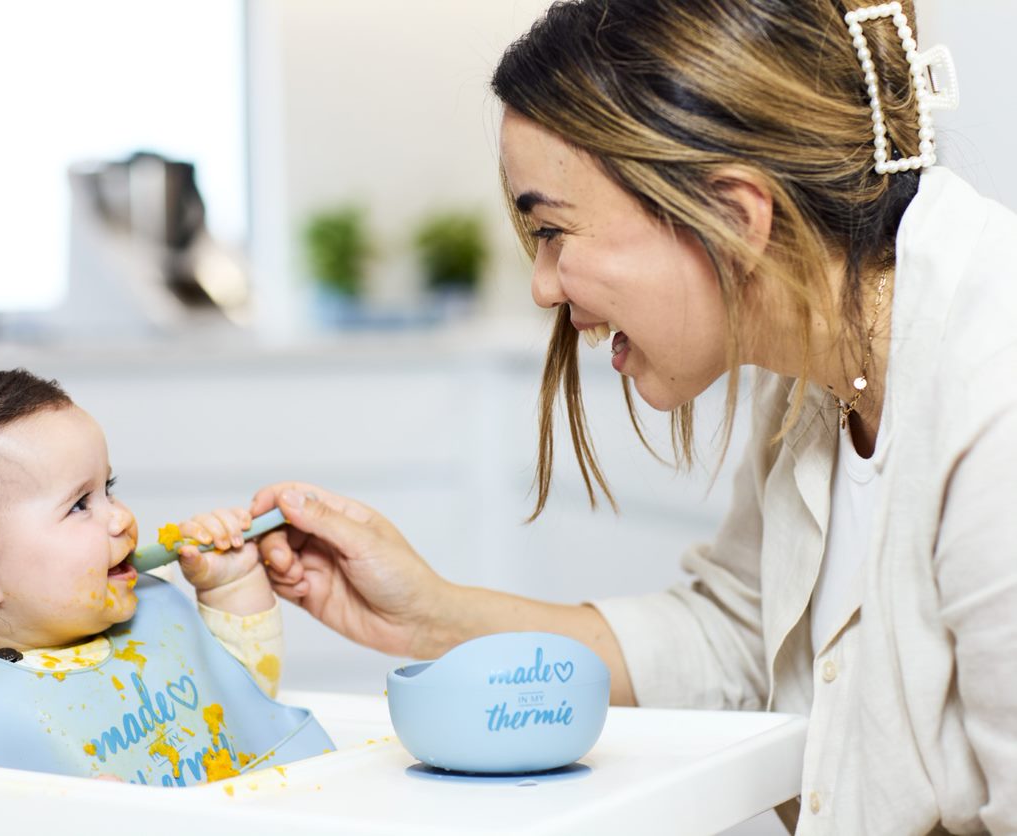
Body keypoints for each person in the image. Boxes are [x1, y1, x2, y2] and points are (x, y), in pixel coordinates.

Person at [250, 0, 1017, 832]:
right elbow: (735, 640)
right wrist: (429, 615)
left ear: (734, 218)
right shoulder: (816, 362)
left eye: (553, 231)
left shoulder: (994, 395)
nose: (542, 286)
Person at [0, 364, 331, 785]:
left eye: (108, 489)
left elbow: (243, 707)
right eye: (80, 505)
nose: (121, 519)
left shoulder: (149, 619)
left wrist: (231, 584)